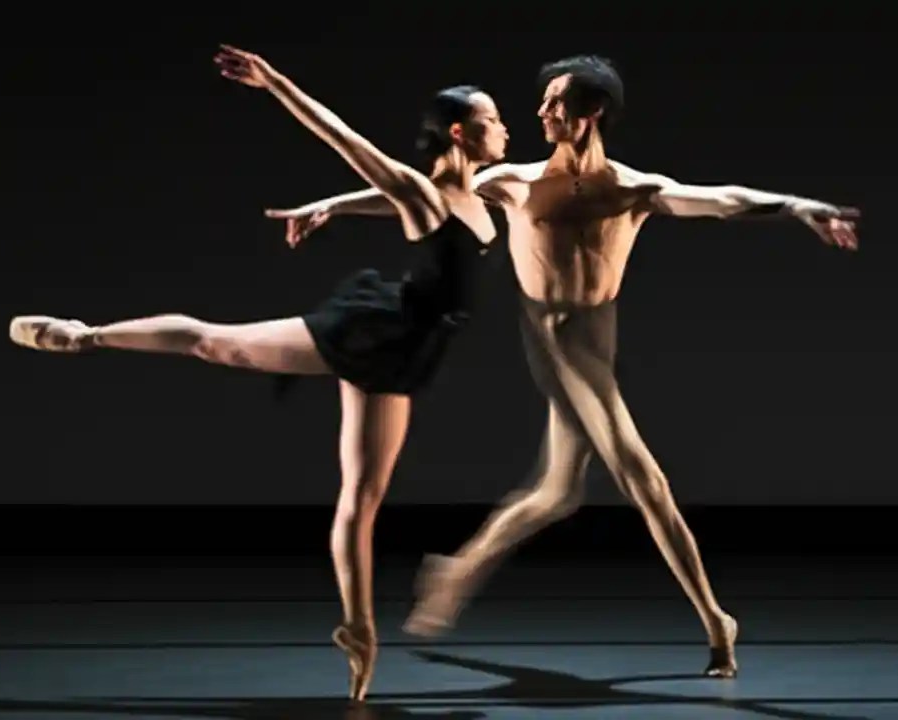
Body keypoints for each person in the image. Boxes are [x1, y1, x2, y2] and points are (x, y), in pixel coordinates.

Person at [276, 54, 859, 679]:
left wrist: (799, 207)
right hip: (548, 341)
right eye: (543, 102)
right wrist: (331, 206)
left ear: (591, 112)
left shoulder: (631, 189)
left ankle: (458, 569)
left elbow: (722, 200)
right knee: (643, 478)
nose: (541, 113)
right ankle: (717, 620)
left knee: (557, 491)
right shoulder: (516, 183)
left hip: (593, 344)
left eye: (555, 103)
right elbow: (417, 197)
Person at [5, 44, 510, 702]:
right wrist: (274, 83)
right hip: (374, 329)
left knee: (360, 502)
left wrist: (330, 205)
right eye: (494, 119)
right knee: (218, 344)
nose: (505, 128)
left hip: (404, 353)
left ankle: (358, 629)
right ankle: (84, 336)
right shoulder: (425, 194)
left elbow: (381, 199)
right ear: (459, 131)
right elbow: (347, 141)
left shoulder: (483, 195)